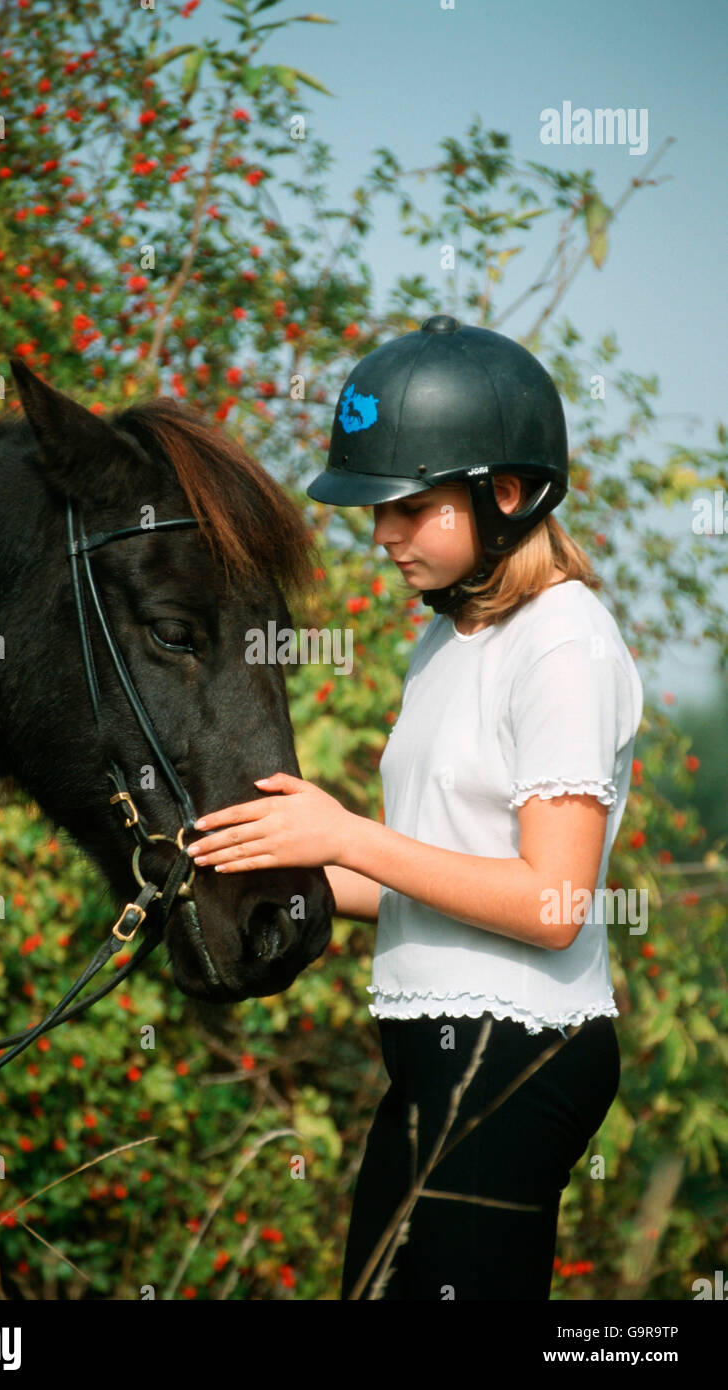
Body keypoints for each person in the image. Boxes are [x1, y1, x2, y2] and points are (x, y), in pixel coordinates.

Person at [184, 315, 644, 1301]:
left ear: (506, 494)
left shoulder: (564, 644)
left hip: (518, 1051)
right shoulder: (452, 637)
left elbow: (552, 905)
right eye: (375, 508)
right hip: (438, 1050)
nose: (382, 534)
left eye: (409, 506)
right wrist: (261, 858)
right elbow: (427, 875)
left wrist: (347, 831)